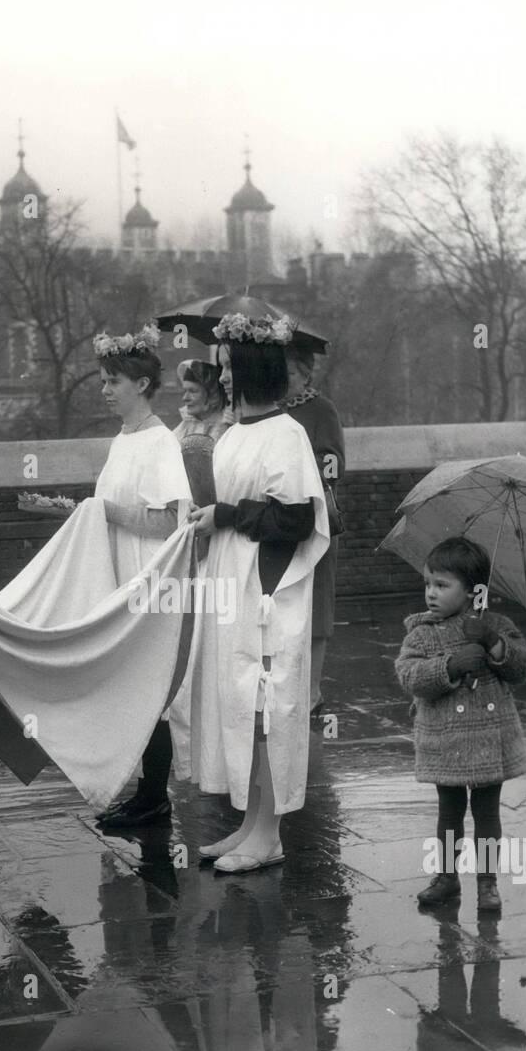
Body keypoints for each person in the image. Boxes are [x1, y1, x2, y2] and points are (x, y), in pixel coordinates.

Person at [184, 312, 329, 873]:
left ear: (249, 370)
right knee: (239, 705)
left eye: (226, 368)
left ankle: (269, 833)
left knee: (265, 707)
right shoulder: (234, 432)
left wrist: (225, 513)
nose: (220, 378)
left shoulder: (286, 434)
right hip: (232, 582)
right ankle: (248, 823)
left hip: (266, 590)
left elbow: (292, 519)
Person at [394, 537, 526, 914]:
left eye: (442, 585)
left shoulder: (496, 625)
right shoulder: (421, 633)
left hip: (490, 738)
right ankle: (446, 876)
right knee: (449, 812)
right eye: (428, 584)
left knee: (488, 813)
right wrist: (451, 666)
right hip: (447, 740)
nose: (431, 593)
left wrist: (493, 644)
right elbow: (409, 676)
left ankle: (487, 882)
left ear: (475, 592)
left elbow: (522, 668)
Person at [91, 323, 192, 828]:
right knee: (130, 682)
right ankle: (144, 792)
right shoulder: (123, 439)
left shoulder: (159, 443)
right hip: (120, 569)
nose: (105, 391)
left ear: (142, 386)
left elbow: (172, 519)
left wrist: (106, 512)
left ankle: (154, 796)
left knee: (150, 685)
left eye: (113, 382)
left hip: (148, 573)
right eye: (104, 381)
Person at [281, 348, 345, 714]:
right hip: (281, 517)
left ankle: (312, 691)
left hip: (315, 515)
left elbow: (334, 464)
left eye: (290, 374)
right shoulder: (271, 410)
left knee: (317, 605)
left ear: (305, 375)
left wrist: (300, 473)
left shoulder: (322, 410)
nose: (284, 381)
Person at [173, 358, 231, 445]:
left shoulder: (227, 427)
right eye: (185, 391)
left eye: (192, 391)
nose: (185, 398)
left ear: (213, 395)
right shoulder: (185, 426)